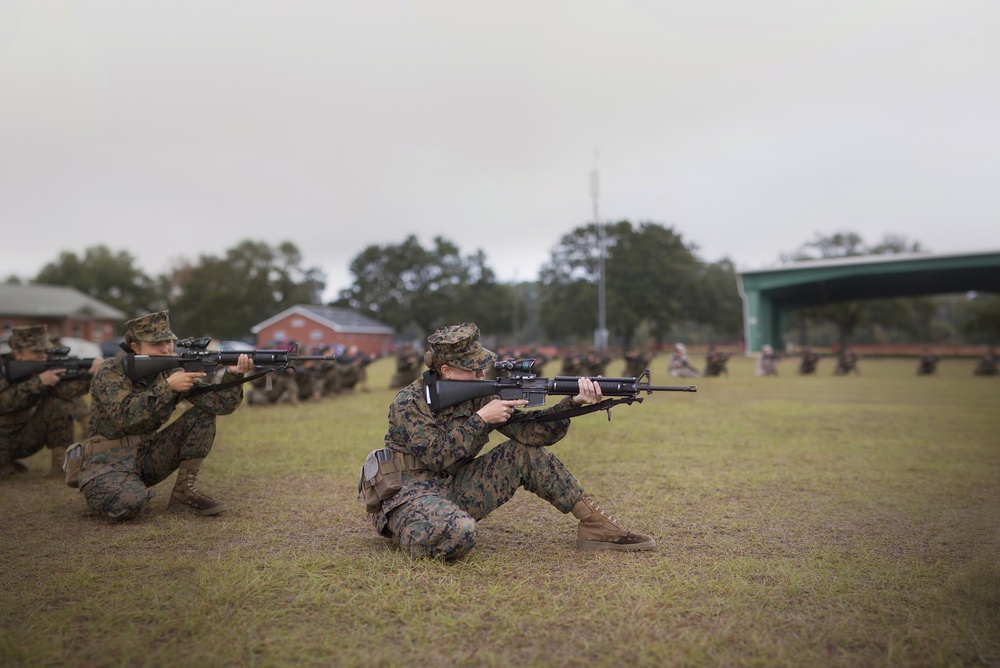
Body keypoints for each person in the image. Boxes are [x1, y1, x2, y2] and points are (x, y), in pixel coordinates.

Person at [358, 323, 655, 560]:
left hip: (451, 485)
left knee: (522, 453)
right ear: (446, 371)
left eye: (482, 367)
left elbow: (532, 435)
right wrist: (482, 419)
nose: (481, 374)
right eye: (472, 369)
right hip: (408, 492)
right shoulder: (409, 401)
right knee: (459, 534)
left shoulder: (482, 393)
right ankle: (407, 525)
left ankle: (595, 526)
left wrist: (574, 402)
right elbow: (437, 456)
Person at [79, 310, 254, 520]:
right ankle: (111, 490)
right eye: (157, 344)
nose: (166, 349)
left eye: (168, 342)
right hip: (106, 462)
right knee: (130, 504)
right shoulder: (110, 371)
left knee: (202, 415)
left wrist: (233, 374)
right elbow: (125, 416)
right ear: (135, 347)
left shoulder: (169, 371)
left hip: (147, 456)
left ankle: (183, 493)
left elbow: (220, 405)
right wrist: (168, 388)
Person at [1, 325, 101, 477]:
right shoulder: (4, 369)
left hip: (23, 438)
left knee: (59, 403)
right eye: (36, 351)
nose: (43, 355)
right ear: (17, 353)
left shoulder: (42, 367)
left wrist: (91, 374)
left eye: (44, 350)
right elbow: (3, 403)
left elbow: (64, 392)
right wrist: (38, 382)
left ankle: (62, 466)